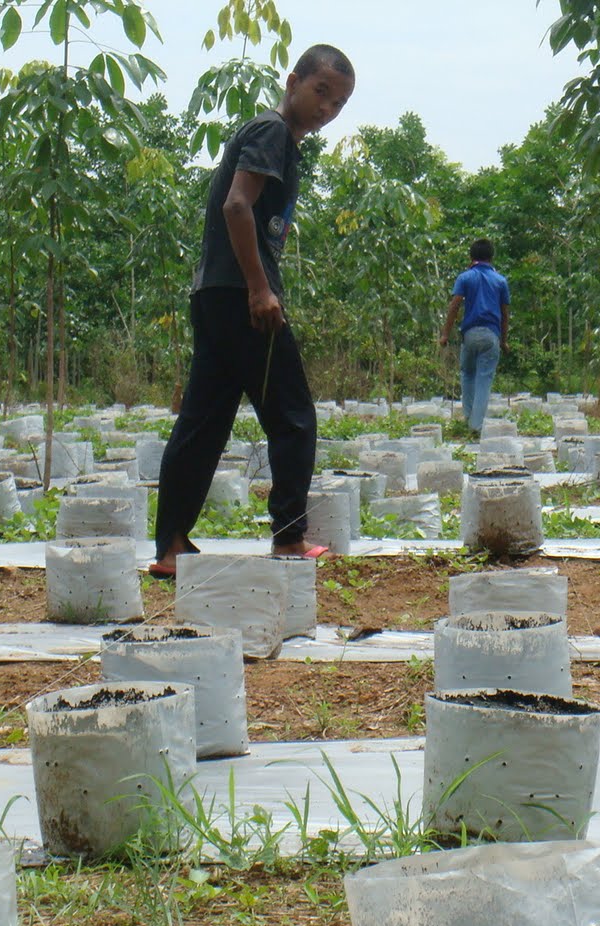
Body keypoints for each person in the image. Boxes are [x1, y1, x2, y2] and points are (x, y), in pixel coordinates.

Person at [149, 44, 356, 577]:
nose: (327, 109)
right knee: (293, 417)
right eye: (321, 93)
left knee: (203, 421)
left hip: (215, 293)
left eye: (338, 103)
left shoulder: (274, 136)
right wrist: (260, 290)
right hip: (241, 296)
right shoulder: (272, 131)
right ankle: (289, 539)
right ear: (293, 82)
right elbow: (237, 204)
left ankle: (171, 548)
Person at [439, 238, 510, 434]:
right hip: (491, 335)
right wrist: (504, 341)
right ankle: (476, 426)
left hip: (469, 334)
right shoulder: (500, 281)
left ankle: (468, 417)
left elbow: (454, 306)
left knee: (467, 374)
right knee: (483, 379)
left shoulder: (465, 277)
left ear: (471, 257)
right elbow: (505, 314)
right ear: (491, 257)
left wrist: (445, 334)